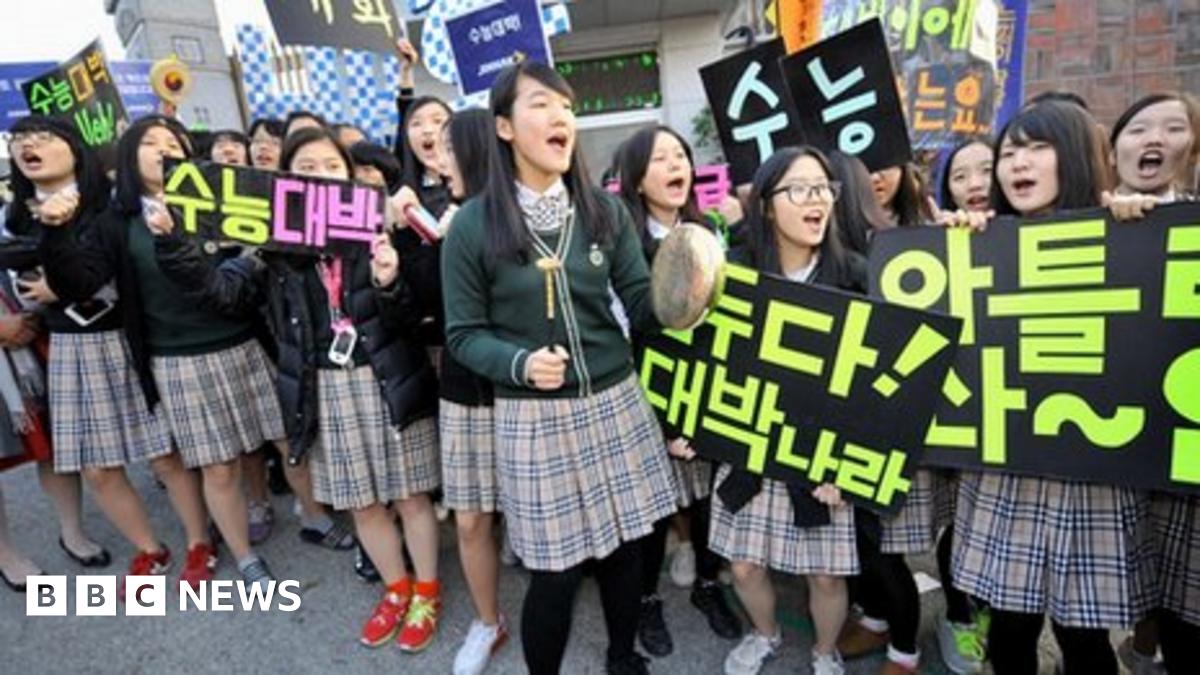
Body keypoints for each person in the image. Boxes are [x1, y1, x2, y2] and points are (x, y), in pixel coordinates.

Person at [152, 126, 445, 653]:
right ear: (286, 182)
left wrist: (389, 278)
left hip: (388, 378)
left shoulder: (380, 233)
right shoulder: (272, 249)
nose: (321, 177)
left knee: (411, 497)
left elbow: (418, 313)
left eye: (332, 167)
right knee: (363, 504)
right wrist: (175, 243)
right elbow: (223, 292)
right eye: (305, 169)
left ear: (350, 176)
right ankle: (395, 589)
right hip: (326, 390)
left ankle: (426, 591)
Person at [441, 61, 677, 675]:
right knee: (556, 570)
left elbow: (641, 303)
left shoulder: (603, 211)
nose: (561, 118)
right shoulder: (471, 225)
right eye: (542, 105)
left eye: (567, 107)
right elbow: (463, 335)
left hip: (617, 401)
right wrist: (519, 363)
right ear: (503, 127)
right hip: (533, 417)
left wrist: (685, 294)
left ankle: (622, 657)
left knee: (629, 548)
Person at [949, 100, 1156, 675]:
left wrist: (1149, 224)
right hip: (1006, 468)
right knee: (1010, 632)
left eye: (1037, 147)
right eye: (1009, 152)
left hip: (1089, 474)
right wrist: (952, 249)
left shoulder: (1126, 229)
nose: (1018, 163)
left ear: (1076, 157)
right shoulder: (983, 241)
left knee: (1083, 638)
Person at [38, 115, 284, 589]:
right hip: (174, 358)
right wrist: (56, 232)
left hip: (242, 342)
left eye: (173, 142)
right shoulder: (116, 221)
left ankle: (304, 514)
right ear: (130, 158)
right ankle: (243, 555)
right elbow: (79, 283)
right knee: (218, 463)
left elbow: (253, 262)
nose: (163, 148)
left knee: (275, 443)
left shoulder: (215, 200)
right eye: (149, 142)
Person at [11, 115, 219, 589]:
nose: (30, 146)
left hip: (125, 338)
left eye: (43, 137)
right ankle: (150, 549)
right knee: (97, 467)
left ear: (74, 149)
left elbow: (95, 278)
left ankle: (197, 542)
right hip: (69, 348)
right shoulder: (15, 216)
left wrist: (60, 282)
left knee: (164, 455)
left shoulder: (111, 202)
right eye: (21, 140)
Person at [711, 146, 862, 675]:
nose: (816, 198)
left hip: (825, 457)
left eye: (824, 188)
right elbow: (705, 358)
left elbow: (881, 386)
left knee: (825, 575)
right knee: (745, 565)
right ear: (768, 205)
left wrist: (850, 466)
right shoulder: (733, 274)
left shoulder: (856, 276)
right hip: (751, 442)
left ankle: (825, 650)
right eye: (800, 188)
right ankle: (765, 634)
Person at [613, 124, 742, 658]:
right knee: (652, 511)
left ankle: (709, 585)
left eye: (681, 156)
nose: (675, 166)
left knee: (709, 499)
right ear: (637, 179)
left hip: (712, 387)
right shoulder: (623, 244)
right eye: (660, 158)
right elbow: (627, 329)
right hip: (650, 393)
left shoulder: (713, 230)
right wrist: (662, 421)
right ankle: (645, 599)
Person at [1102, 92, 1198, 675]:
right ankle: (1140, 650)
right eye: (1138, 129)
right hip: (1118, 444)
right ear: (1113, 152)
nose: (1154, 139)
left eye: (1173, 128)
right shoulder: (1085, 229)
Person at [429, 108, 512, 675]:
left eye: (446, 148)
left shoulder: (530, 214)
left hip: (527, 389)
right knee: (470, 518)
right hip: (464, 391)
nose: (437, 161)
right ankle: (488, 621)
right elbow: (426, 313)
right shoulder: (433, 218)